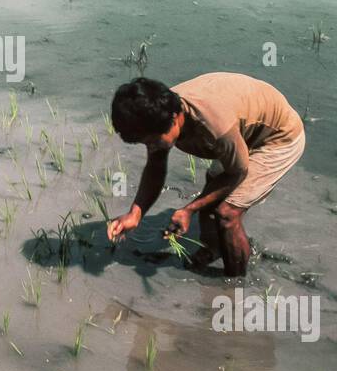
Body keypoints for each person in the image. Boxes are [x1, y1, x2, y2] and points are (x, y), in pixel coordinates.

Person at [106, 73, 306, 277]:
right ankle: (213, 250)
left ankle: (234, 284)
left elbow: (238, 172)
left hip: (279, 137)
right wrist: (135, 214)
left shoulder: (214, 126)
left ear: (175, 119)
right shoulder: (157, 113)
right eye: (144, 142)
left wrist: (189, 209)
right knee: (210, 201)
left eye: (153, 140)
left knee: (227, 213)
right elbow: (156, 166)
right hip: (241, 132)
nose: (151, 146)